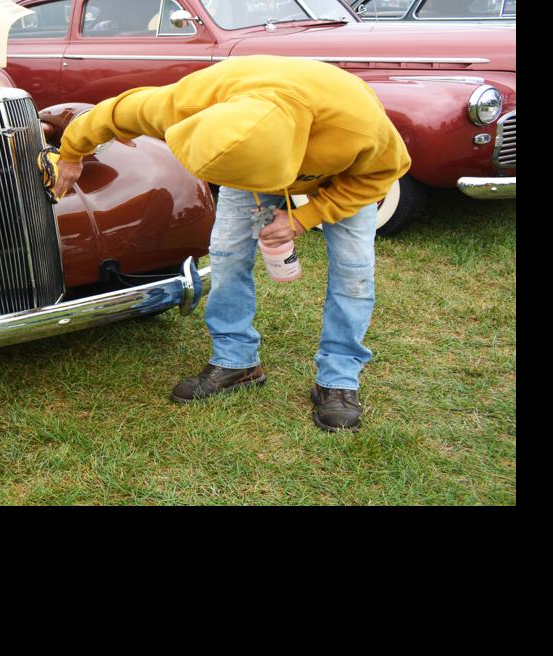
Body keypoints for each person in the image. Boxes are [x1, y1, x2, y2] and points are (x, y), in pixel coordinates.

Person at [53, 56, 411, 432]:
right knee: (225, 256)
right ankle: (236, 360)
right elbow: (112, 114)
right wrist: (72, 154)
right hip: (255, 153)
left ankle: (338, 380)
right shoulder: (192, 100)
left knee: (354, 271)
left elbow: (383, 173)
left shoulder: (357, 125)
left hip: (346, 172)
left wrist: (303, 217)